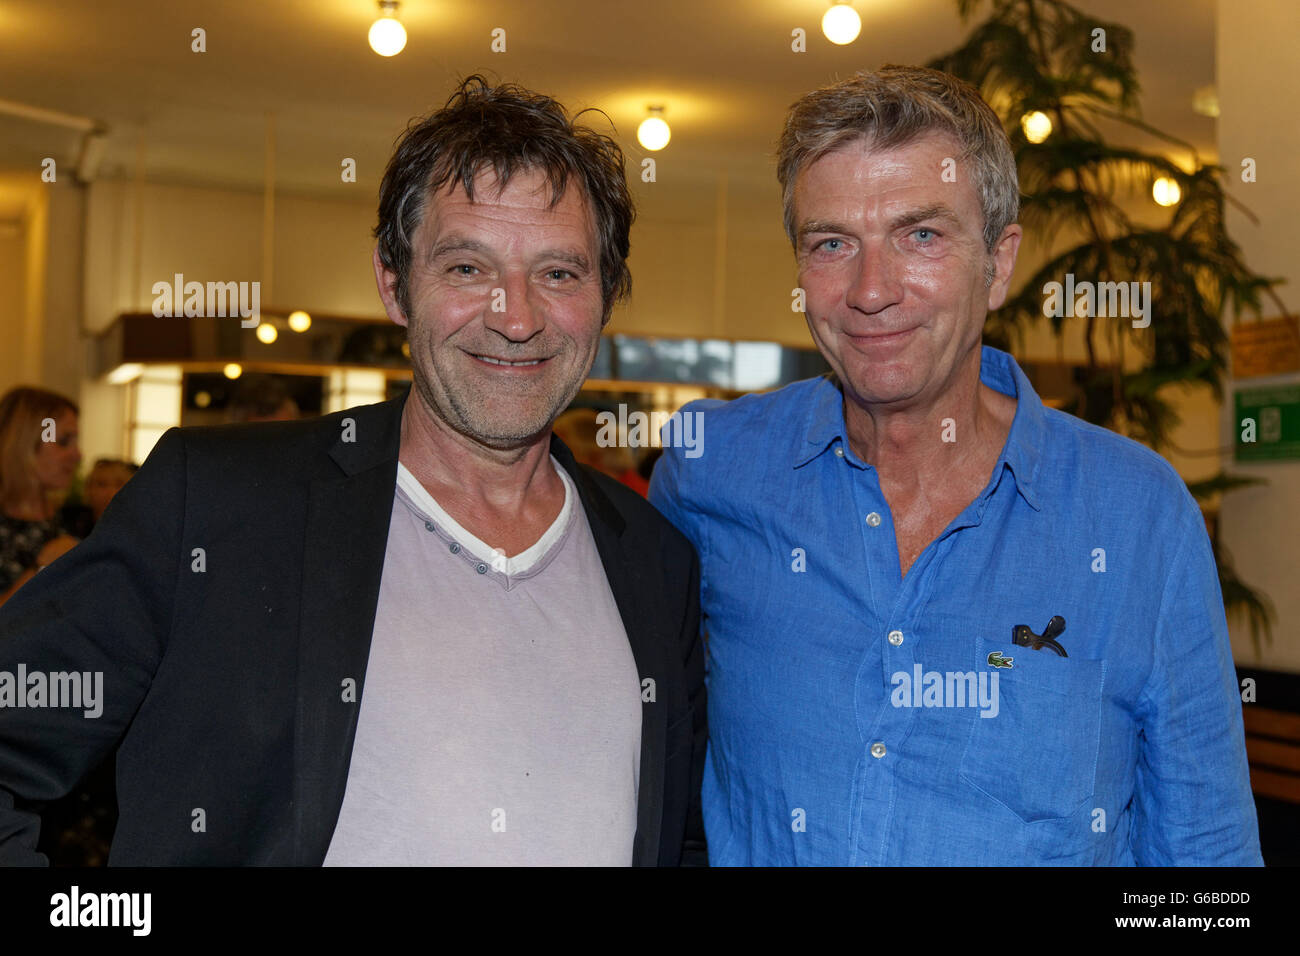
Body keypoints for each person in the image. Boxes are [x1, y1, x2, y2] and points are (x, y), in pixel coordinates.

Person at [0, 76, 705, 866]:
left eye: (560, 273)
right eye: (468, 268)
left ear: (607, 296)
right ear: (394, 283)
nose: (516, 316)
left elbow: (677, 837)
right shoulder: (220, 506)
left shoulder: (654, 560)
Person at [649, 66, 1261, 865]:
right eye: (832, 244)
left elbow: (1207, 869)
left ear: (998, 264)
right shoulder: (711, 472)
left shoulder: (1136, 517)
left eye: (921, 236)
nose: (871, 291)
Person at [0, 387, 82, 608]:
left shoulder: (65, 519)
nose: (78, 454)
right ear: (25, 443)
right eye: (63, 441)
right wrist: (43, 567)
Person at [59, 458, 139, 540]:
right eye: (102, 484)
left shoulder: (139, 529)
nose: (111, 492)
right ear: (88, 489)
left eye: (119, 484)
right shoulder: (69, 521)